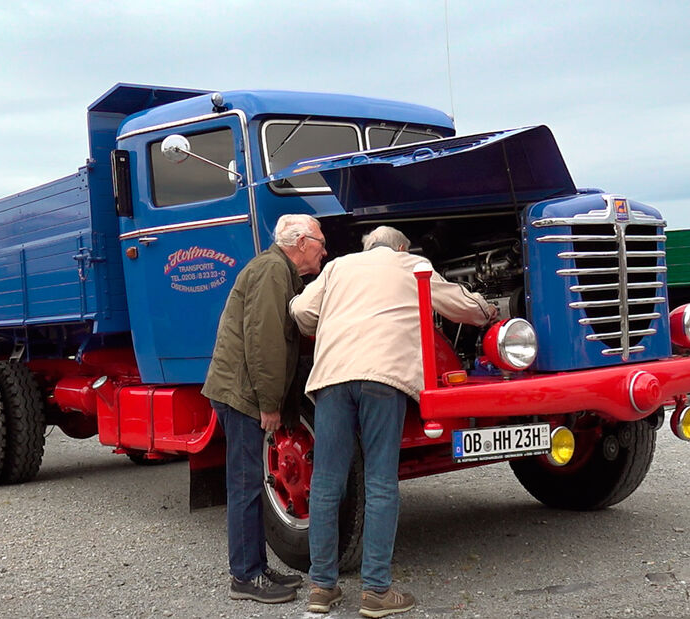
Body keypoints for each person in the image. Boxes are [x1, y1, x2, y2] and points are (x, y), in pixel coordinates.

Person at [290, 226, 496, 617]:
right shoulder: (411, 263)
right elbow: (458, 305)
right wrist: (489, 310)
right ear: (400, 247)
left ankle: (321, 588)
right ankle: (376, 592)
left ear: (367, 247)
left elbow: (301, 310)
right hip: (384, 379)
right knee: (381, 482)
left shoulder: (337, 267)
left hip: (333, 378)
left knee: (327, 482)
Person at [202, 213, 328, 604]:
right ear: (302, 243)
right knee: (244, 485)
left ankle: (255, 567)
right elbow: (266, 342)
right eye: (320, 242)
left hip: (240, 390)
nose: (324, 250)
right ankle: (245, 577)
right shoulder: (273, 271)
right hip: (242, 395)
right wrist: (270, 404)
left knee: (251, 483)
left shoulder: (276, 269)